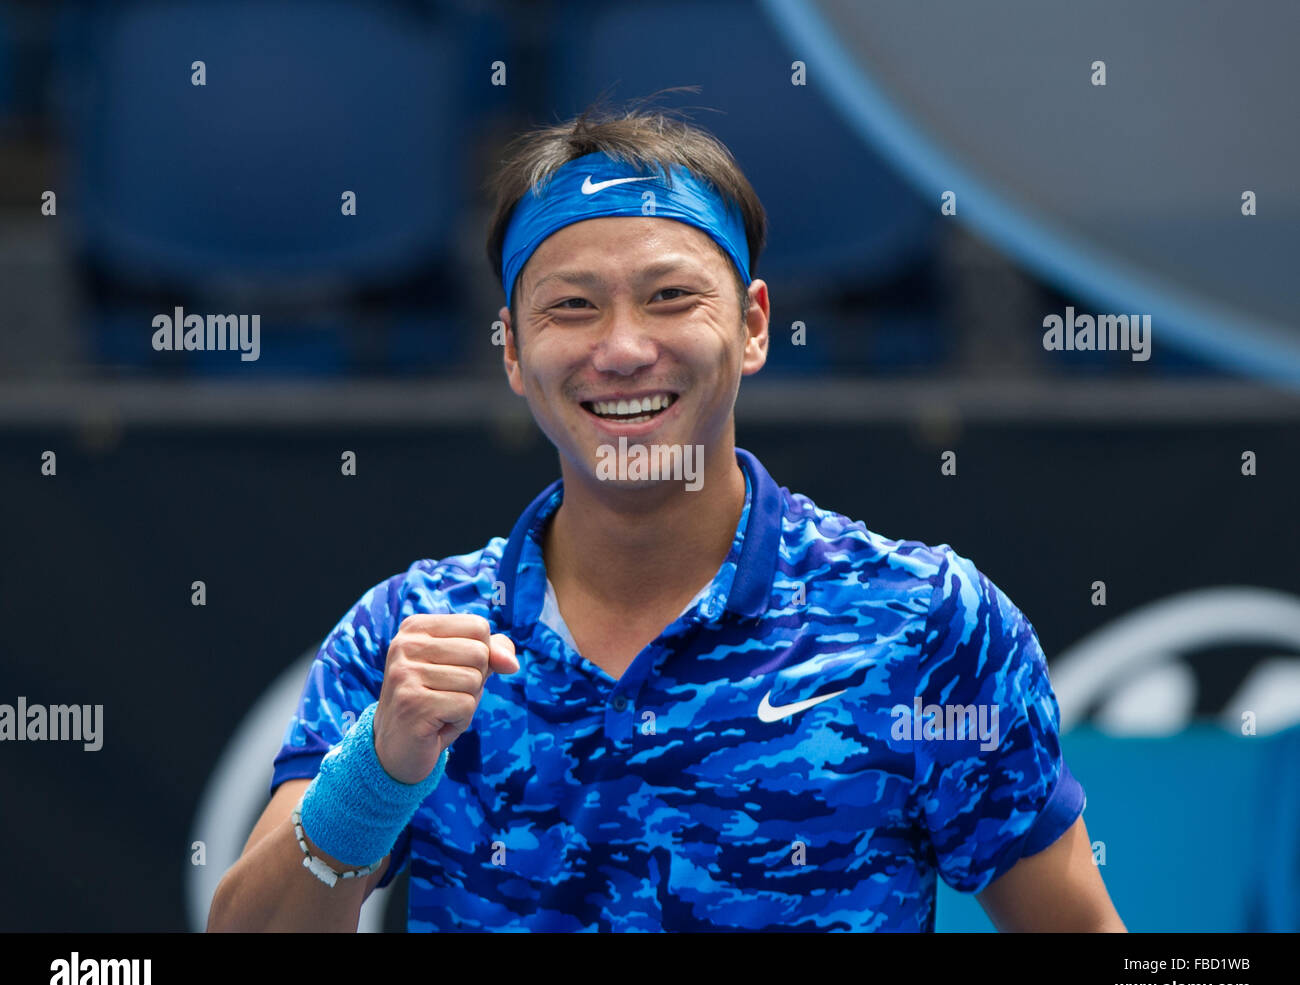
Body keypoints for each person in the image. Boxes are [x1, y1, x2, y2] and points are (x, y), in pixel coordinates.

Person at [207, 100, 1125, 933]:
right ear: (515, 352)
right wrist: (376, 770)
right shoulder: (408, 639)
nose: (623, 349)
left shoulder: (929, 621)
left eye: (671, 296)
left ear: (754, 325)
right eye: (571, 307)